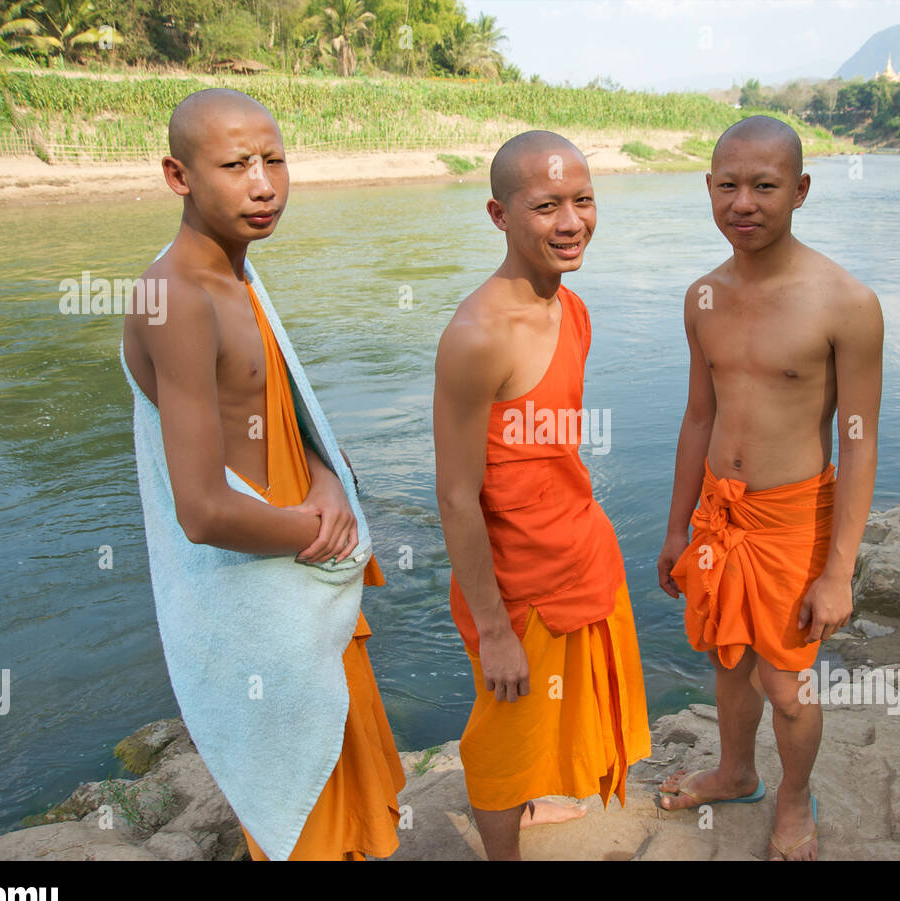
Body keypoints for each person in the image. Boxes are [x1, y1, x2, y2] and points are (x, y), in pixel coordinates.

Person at [121, 88, 403, 861]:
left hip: (301, 561)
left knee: (342, 800)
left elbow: (288, 414)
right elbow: (204, 511)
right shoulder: (176, 297)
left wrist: (327, 479)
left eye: (274, 159)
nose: (262, 183)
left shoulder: (237, 275)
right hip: (269, 585)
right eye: (236, 164)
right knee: (304, 819)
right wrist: (323, 535)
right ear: (179, 176)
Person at [656, 116, 883, 861]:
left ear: (801, 191)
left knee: (786, 686)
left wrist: (839, 570)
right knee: (726, 659)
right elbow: (697, 416)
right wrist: (676, 527)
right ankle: (735, 772)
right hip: (720, 516)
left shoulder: (845, 304)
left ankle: (793, 796)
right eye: (728, 186)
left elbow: (858, 441)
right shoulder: (702, 297)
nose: (743, 203)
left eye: (764, 186)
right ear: (709, 190)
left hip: (794, 520)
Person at [433, 130, 651, 861]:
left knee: (545, 724)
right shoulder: (477, 335)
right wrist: (493, 628)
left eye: (584, 201)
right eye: (546, 205)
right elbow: (459, 498)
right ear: (499, 215)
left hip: (581, 549)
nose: (571, 222)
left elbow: (551, 451)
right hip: (517, 582)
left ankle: (539, 796)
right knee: (501, 744)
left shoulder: (574, 310)